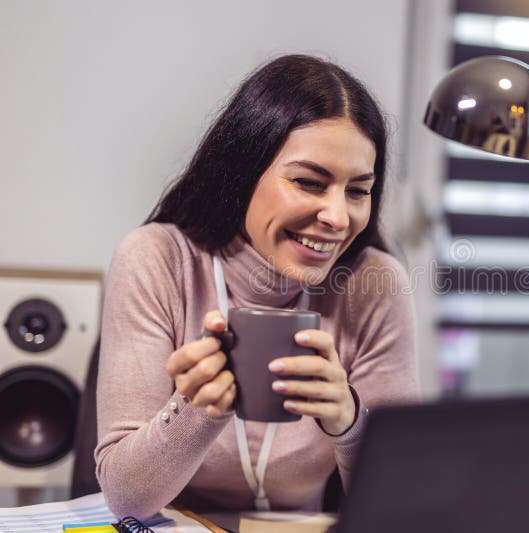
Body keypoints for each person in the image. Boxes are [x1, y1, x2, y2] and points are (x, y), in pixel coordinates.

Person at [95, 54, 420, 519]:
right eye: (310, 183)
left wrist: (348, 422)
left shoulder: (375, 284)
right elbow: (127, 499)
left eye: (357, 191)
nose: (337, 217)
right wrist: (197, 407)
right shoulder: (155, 259)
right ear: (243, 173)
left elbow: (407, 507)